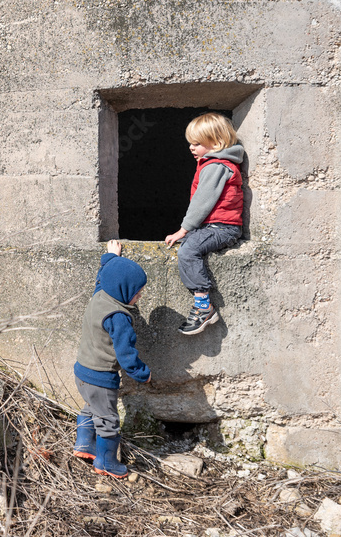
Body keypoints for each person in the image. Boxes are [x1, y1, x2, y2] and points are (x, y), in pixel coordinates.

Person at [73, 239, 151, 479]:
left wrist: (111, 257)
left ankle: (85, 444)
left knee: (91, 407)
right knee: (108, 419)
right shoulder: (119, 317)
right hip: (101, 378)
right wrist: (142, 374)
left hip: (81, 372)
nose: (140, 295)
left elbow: (102, 276)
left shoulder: (101, 294)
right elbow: (125, 353)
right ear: (124, 290)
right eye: (137, 292)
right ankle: (106, 462)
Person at [164, 112, 244, 335]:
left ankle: (203, 307)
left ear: (217, 143)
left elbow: (202, 202)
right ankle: (203, 307)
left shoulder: (215, 166)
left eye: (197, 143)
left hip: (223, 228)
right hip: (217, 226)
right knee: (189, 245)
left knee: (187, 250)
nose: (191, 147)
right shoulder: (215, 163)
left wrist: (184, 229)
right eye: (190, 143)